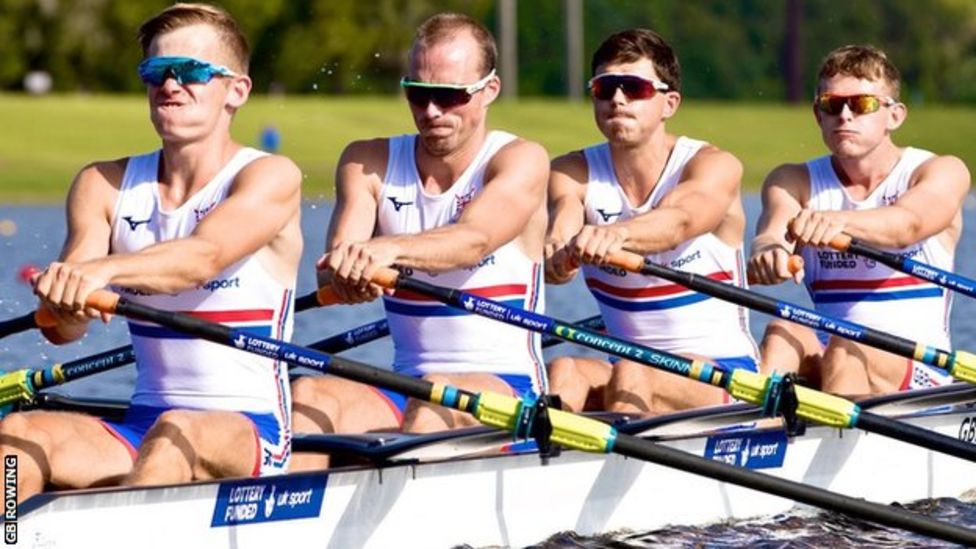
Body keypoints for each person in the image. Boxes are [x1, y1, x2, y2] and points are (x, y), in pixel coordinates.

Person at [0, 3, 303, 502]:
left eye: (191, 71)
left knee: (173, 436)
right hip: (146, 425)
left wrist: (97, 272)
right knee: (15, 439)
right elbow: (68, 331)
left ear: (237, 90)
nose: (171, 84)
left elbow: (202, 257)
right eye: (157, 72)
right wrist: (62, 302)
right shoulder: (104, 183)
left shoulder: (270, 176)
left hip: (253, 431)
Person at [289, 13, 549, 470]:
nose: (431, 111)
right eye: (418, 93)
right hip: (408, 384)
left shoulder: (519, 160)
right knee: (307, 397)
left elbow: (473, 240)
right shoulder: (367, 161)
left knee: (432, 406)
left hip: (507, 389)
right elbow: (336, 263)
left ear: (489, 90)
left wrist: (386, 250)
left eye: (449, 96)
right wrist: (347, 276)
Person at [545, 29, 758, 415]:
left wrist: (615, 234)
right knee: (563, 370)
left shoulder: (712, 166)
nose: (618, 99)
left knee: (632, 373)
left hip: (724, 375)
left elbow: (677, 221)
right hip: (626, 368)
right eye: (605, 87)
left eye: (634, 88)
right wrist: (557, 256)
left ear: (669, 103)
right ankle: (544, 464)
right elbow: (564, 218)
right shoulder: (570, 171)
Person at [748, 45, 970, 395]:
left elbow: (906, 225)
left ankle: (827, 439)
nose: (845, 116)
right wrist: (769, 253)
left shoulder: (938, 171)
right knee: (780, 333)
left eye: (862, 105)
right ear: (818, 115)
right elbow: (771, 233)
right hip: (832, 350)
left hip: (919, 372)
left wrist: (839, 222)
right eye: (831, 105)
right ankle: (751, 436)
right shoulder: (793, 180)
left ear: (895, 116)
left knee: (845, 351)